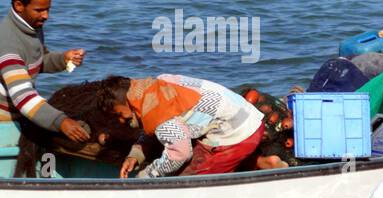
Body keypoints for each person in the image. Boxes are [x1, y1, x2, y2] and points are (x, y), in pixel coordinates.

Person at [99, 74, 265, 177]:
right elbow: (154, 126)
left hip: (238, 134)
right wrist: (135, 155)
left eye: (119, 115)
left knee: (190, 179)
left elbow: (180, 154)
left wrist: (147, 175)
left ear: (127, 103)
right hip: (248, 115)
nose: (120, 121)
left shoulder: (163, 119)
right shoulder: (158, 84)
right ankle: (263, 163)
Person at [1, 0, 91, 145]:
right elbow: (23, 97)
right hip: (5, 120)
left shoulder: (31, 27)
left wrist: (63, 59)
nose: (46, 16)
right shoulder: (8, 44)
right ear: (19, 5)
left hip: (20, 112)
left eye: (48, 9)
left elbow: (37, 62)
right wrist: (61, 122)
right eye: (39, 10)